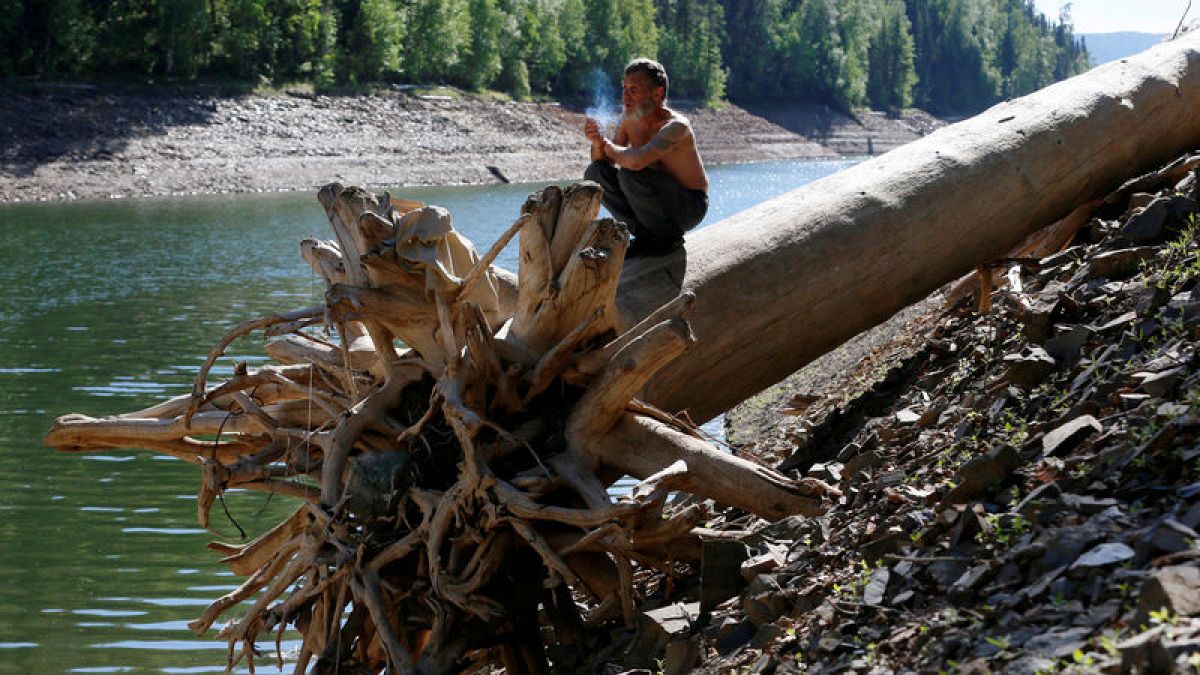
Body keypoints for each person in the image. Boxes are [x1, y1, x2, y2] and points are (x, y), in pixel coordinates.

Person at [584, 58, 709, 257]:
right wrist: (598, 142)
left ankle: (665, 239)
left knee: (629, 174)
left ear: (657, 93)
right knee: (595, 173)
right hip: (652, 201)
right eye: (624, 88)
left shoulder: (677, 127)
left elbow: (635, 161)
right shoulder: (628, 119)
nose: (626, 95)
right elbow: (603, 162)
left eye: (634, 89)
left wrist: (606, 143)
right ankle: (645, 236)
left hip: (688, 207)